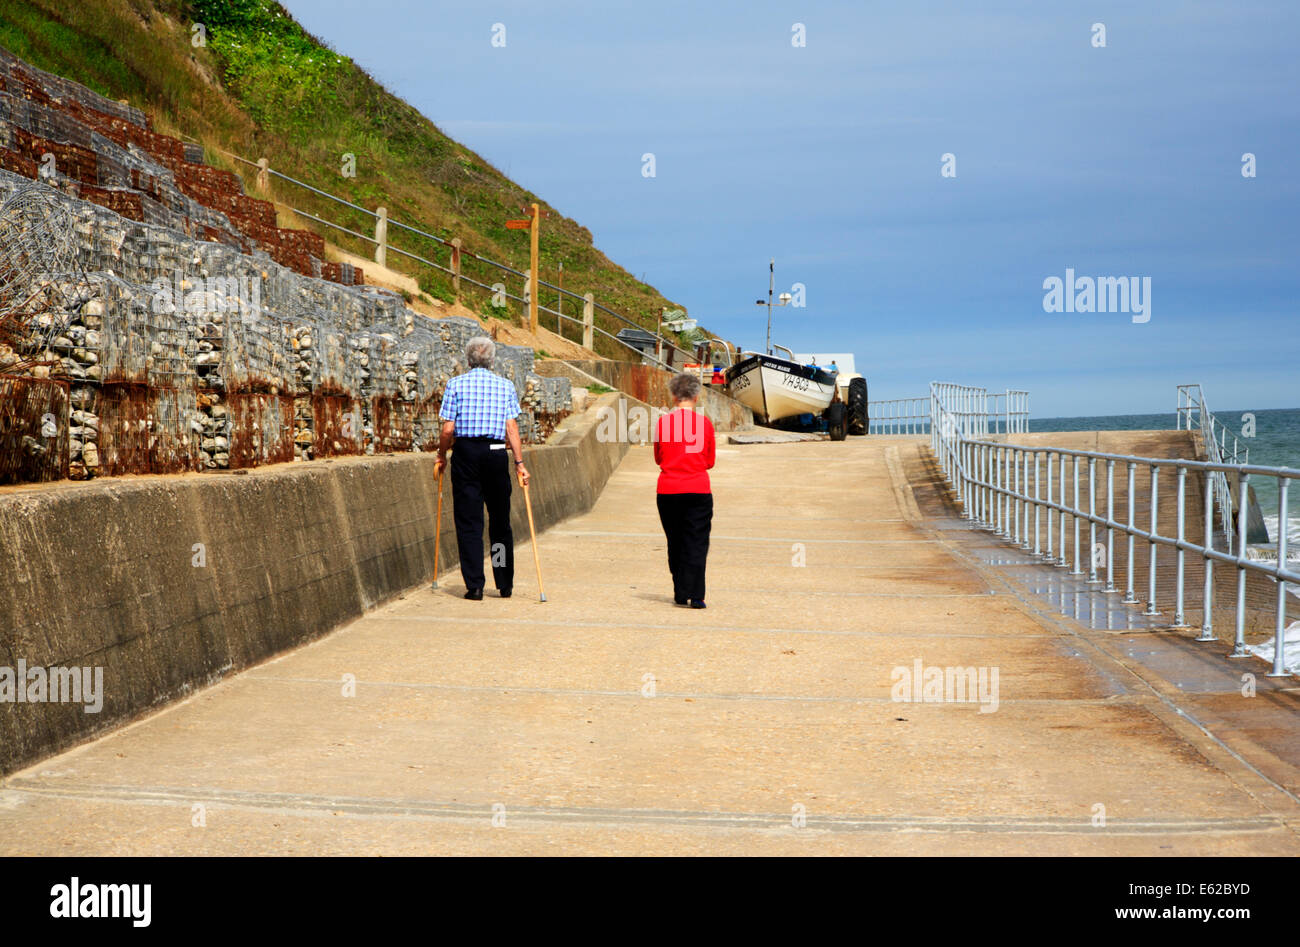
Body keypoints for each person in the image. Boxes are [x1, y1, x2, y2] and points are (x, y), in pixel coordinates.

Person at [435, 337, 531, 600]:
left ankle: (475, 585)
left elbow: (448, 429)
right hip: (496, 454)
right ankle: (503, 583)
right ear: (492, 360)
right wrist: (520, 464)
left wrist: (441, 455)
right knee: (499, 521)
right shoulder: (504, 386)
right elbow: (511, 428)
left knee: (469, 522)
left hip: (466, 455)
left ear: (468, 360)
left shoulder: (455, 384)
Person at [653, 373, 716, 608]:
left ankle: (680, 591)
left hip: (668, 490)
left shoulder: (663, 423)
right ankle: (697, 595)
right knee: (697, 543)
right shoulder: (705, 424)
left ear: (673, 396)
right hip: (698, 489)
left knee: (675, 541)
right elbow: (709, 461)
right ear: (696, 396)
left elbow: (659, 458)